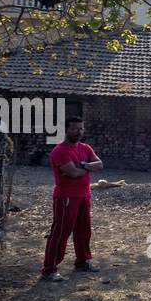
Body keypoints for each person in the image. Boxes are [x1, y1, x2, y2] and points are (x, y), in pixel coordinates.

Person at [41, 117, 103, 281]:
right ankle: (49, 269)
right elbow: (73, 173)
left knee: (84, 231)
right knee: (61, 232)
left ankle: (83, 261)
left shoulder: (85, 148)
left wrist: (82, 166)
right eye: (75, 129)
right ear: (66, 130)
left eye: (81, 128)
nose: (79, 132)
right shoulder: (60, 151)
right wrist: (88, 167)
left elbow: (100, 164)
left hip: (84, 195)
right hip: (66, 197)